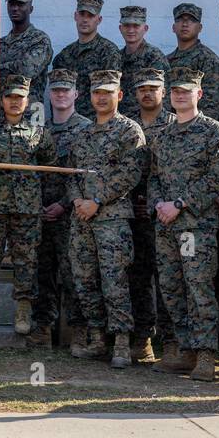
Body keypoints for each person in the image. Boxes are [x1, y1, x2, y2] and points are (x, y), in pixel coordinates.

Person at [147, 67, 219, 381]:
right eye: (176, 91)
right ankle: (184, 350)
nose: (180, 95)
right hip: (166, 226)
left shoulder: (213, 131)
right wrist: (159, 205)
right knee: (171, 288)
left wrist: (180, 205)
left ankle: (206, 355)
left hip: (194, 227)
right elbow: (154, 177)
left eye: (187, 91)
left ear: (199, 94)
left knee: (198, 287)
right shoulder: (163, 135)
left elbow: (218, 178)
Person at [65, 69, 147, 365]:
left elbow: (131, 173)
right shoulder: (82, 134)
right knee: (85, 279)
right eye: (97, 92)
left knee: (115, 279)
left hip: (112, 218)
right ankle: (98, 338)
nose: (101, 97)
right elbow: (71, 173)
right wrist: (77, 200)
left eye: (107, 92)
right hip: (81, 219)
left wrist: (97, 201)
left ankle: (122, 343)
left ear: (119, 96)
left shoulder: (129, 131)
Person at [0, 74, 56, 335]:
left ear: (27, 101)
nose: (15, 102)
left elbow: (50, 169)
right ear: (2, 100)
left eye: (20, 97)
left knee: (26, 260)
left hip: (27, 209)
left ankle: (23, 311)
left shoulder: (39, 133)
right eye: (10, 97)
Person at [30, 69, 91, 348]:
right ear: (49, 95)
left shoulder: (87, 129)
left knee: (74, 272)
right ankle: (42, 328)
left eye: (66, 90)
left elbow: (86, 177)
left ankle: (79, 329)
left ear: (76, 94)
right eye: (56, 90)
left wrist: (64, 205)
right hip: (41, 212)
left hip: (72, 215)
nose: (61, 95)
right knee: (42, 272)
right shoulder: (39, 130)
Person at [129, 68, 174, 363]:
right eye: (142, 88)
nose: (147, 93)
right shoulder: (127, 126)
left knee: (170, 278)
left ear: (163, 91)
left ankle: (172, 342)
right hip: (133, 211)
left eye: (153, 88)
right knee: (138, 275)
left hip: (167, 213)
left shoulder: (175, 124)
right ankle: (143, 338)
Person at [49, 0, 120, 120]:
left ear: (99, 19)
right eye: (82, 14)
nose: (85, 20)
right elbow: (55, 93)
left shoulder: (109, 52)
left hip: (96, 125)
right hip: (68, 125)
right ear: (75, 16)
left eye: (91, 16)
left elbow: (111, 95)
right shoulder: (64, 56)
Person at [165, 3, 219, 120]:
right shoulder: (167, 60)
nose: (185, 24)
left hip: (196, 131)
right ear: (173, 27)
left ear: (200, 28)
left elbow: (212, 105)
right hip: (168, 130)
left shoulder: (208, 60)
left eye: (191, 20)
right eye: (180, 20)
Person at [0, 0, 53, 108]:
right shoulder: (0, 43)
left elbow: (26, 70)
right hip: (2, 115)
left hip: (30, 116)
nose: (15, 8)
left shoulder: (40, 40)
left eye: (20, 4)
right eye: (11, 4)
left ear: (31, 9)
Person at [117, 6, 168, 121]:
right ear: (120, 28)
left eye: (136, 26)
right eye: (126, 26)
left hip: (148, 122)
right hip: (120, 124)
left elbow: (165, 96)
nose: (131, 30)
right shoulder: (117, 57)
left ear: (145, 28)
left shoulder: (154, 57)